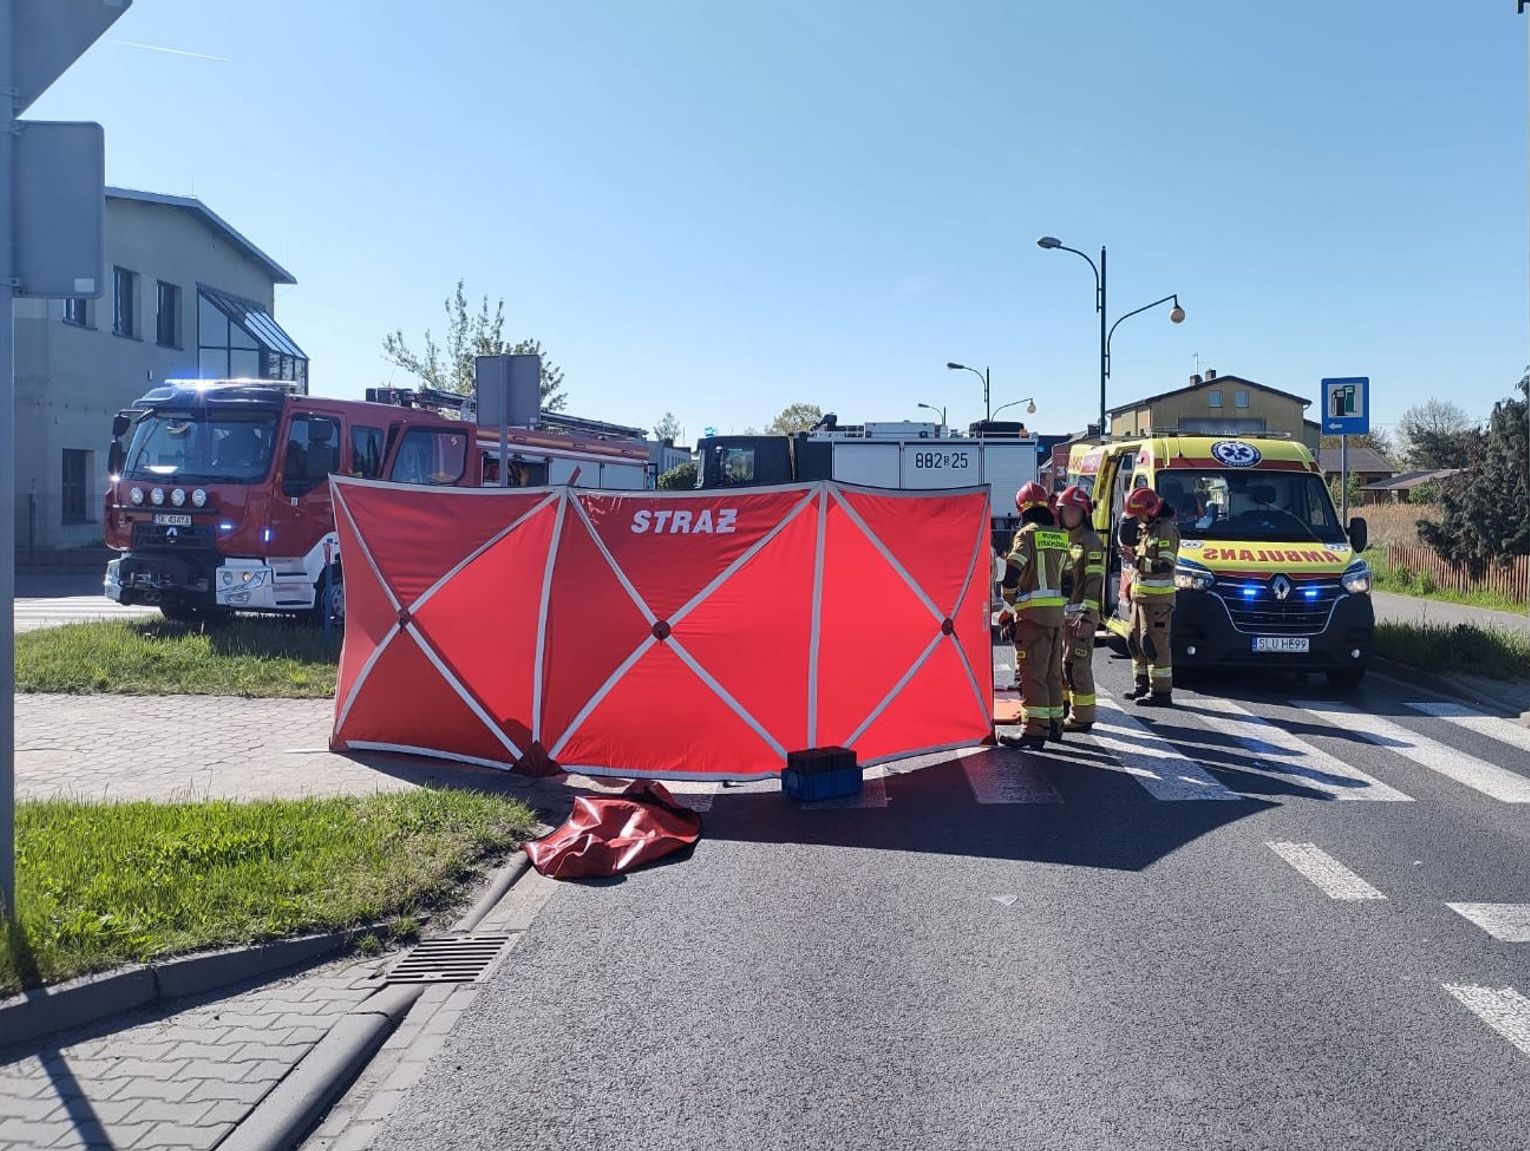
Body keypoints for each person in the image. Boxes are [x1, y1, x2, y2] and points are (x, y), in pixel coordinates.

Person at [997, 481, 1068, 748]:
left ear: (1021, 508)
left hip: (1032, 617)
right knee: (1052, 674)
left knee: (1032, 675)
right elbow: (1069, 579)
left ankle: (1034, 730)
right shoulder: (1059, 536)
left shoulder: (1027, 534)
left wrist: (1008, 599)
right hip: (1056, 617)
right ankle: (1054, 725)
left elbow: (1014, 569)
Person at [1123, 486, 1180, 707]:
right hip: (1141, 598)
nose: (1137, 518)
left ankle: (1161, 692)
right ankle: (1142, 685)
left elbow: (1165, 565)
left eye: (1139, 514)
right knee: (1135, 641)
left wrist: (1135, 560)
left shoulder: (1166, 530)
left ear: (1152, 509)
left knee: (1155, 644)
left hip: (1158, 601)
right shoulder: (1148, 529)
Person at [1056, 485, 1105, 733]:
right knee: (1064, 665)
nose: (1069, 515)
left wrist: (1086, 615)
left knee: (1077, 667)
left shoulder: (1091, 542)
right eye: (1066, 511)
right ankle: (1064, 708)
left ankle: (1083, 717)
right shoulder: (1064, 538)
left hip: (1081, 616)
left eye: (1074, 511)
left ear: (1084, 513)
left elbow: (1094, 582)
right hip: (1066, 615)